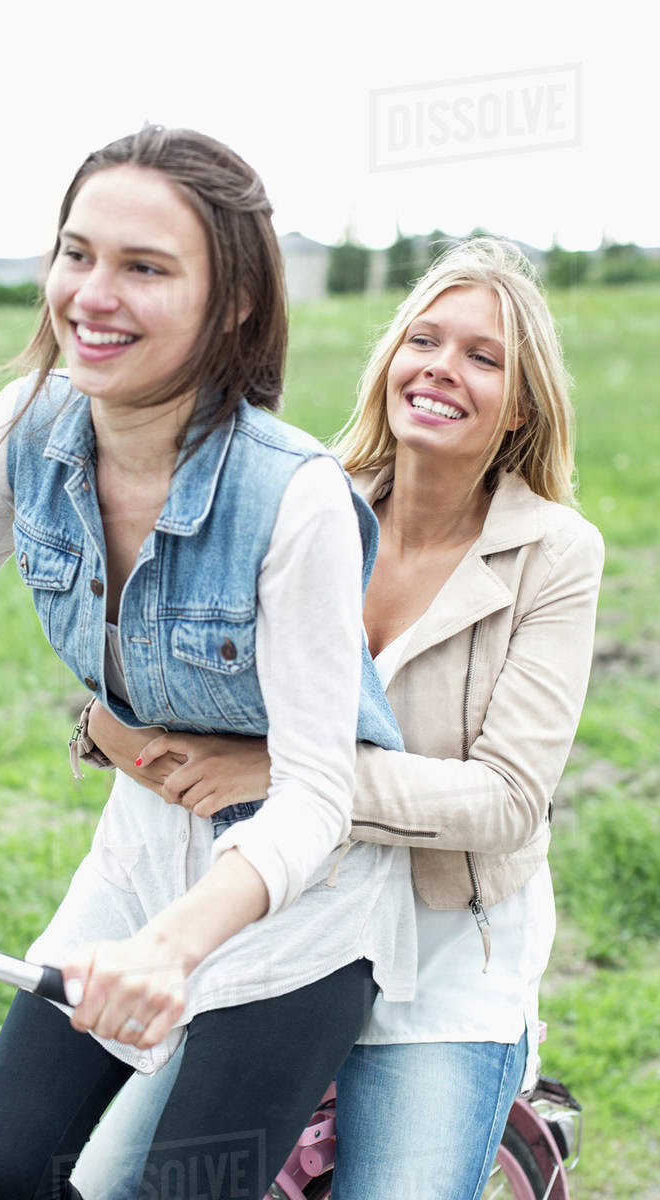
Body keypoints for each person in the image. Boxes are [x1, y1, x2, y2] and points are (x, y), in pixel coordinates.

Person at [0, 127, 420, 1200]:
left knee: (183, 1190)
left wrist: (173, 947)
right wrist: (147, 931)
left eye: (145, 267)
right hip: (138, 863)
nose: (92, 294)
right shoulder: (28, 428)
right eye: (77, 254)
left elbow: (316, 797)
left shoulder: (291, 497)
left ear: (234, 301)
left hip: (294, 906)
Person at [68, 237, 605, 1200]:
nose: (441, 367)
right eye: (423, 341)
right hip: (291, 924)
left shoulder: (554, 553)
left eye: (483, 357)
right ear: (390, 359)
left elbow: (507, 800)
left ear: (521, 406)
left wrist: (290, 774)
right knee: (109, 1184)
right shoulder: (306, 499)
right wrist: (115, 726)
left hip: (444, 952)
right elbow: (174, 676)